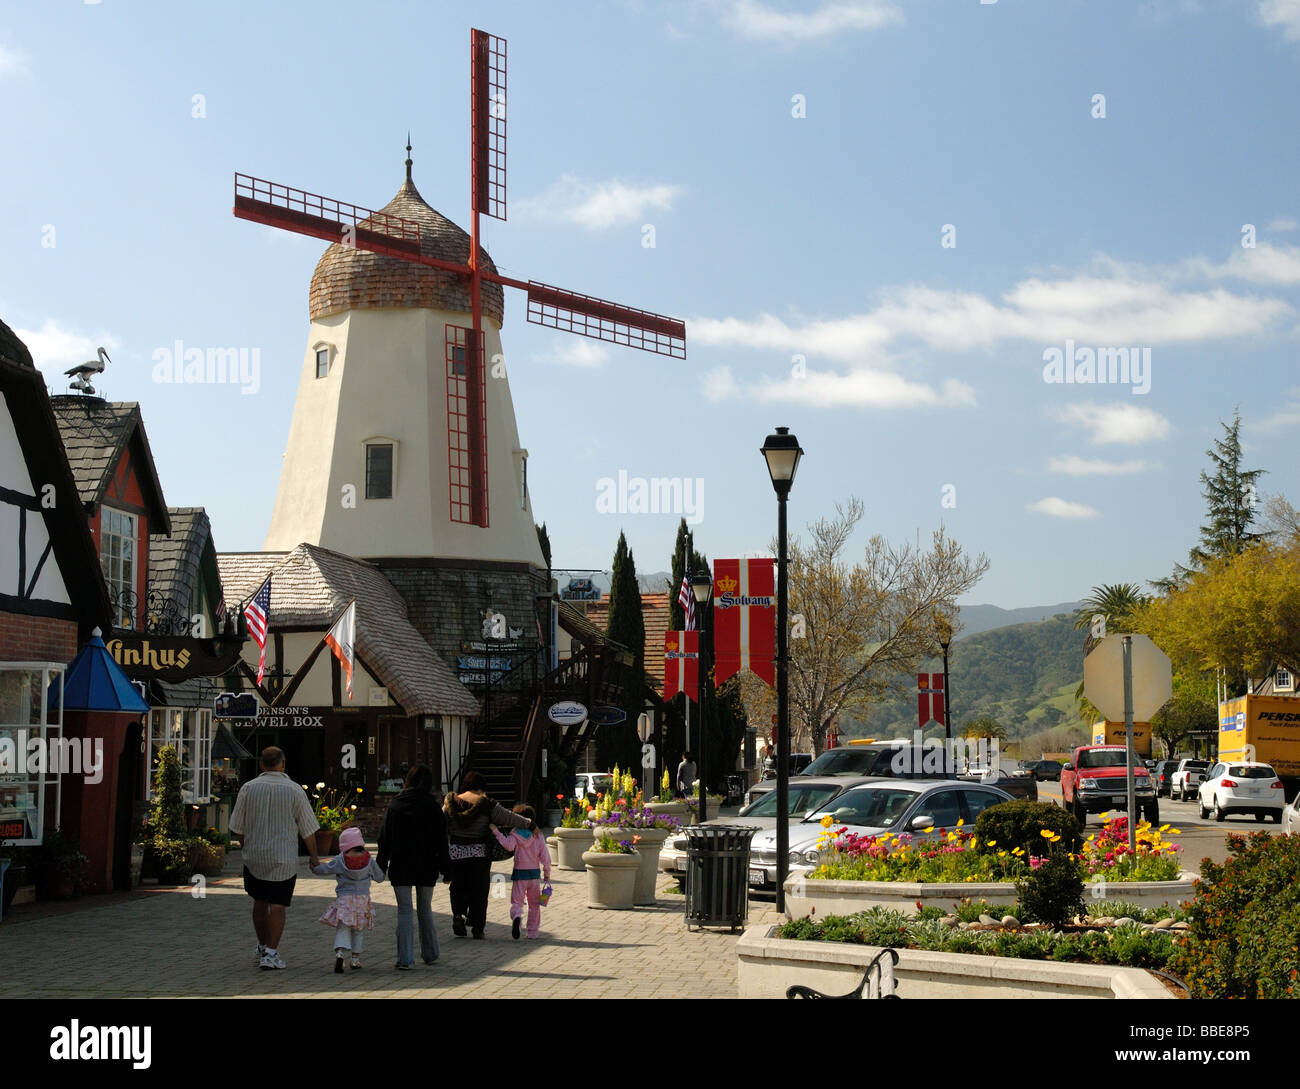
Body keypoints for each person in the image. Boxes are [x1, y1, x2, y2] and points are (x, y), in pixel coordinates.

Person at [228, 746, 321, 970]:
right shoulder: (294, 790)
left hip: (255, 856)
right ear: (283, 763)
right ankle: (270, 953)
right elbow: (307, 828)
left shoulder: (248, 788)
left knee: (259, 902)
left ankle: (262, 946)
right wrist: (314, 857)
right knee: (277, 906)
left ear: (262, 765)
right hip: (283, 858)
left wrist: (246, 846)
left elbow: (237, 827)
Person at [377, 764, 450, 970]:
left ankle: (405, 958)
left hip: (401, 865)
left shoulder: (396, 805)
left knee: (405, 911)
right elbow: (441, 842)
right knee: (425, 909)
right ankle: (431, 953)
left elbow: (384, 839)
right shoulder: (433, 807)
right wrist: (447, 870)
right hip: (427, 865)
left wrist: (380, 866)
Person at [443, 771, 529, 939]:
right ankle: (477, 927)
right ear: (481, 788)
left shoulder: (450, 803)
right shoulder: (488, 804)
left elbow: (438, 823)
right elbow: (510, 818)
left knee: (458, 887)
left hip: (456, 853)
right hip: (479, 854)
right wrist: (529, 824)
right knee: (479, 890)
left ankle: (458, 916)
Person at [313, 827, 385, 972]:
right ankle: (355, 959)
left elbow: (325, 869)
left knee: (343, 928)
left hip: (345, 900)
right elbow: (379, 877)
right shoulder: (368, 859)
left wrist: (314, 867)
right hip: (362, 901)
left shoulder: (341, 859)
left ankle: (340, 953)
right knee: (358, 930)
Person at [490, 804, 552, 940]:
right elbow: (545, 858)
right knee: (534, 905)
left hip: (519, 873)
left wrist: (496, 832)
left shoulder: (515, 833)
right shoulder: (538, 835)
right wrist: (546, 874)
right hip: (534, 874)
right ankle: (532, 932)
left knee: (517, 901)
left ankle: (517, 916)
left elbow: (508, 845)